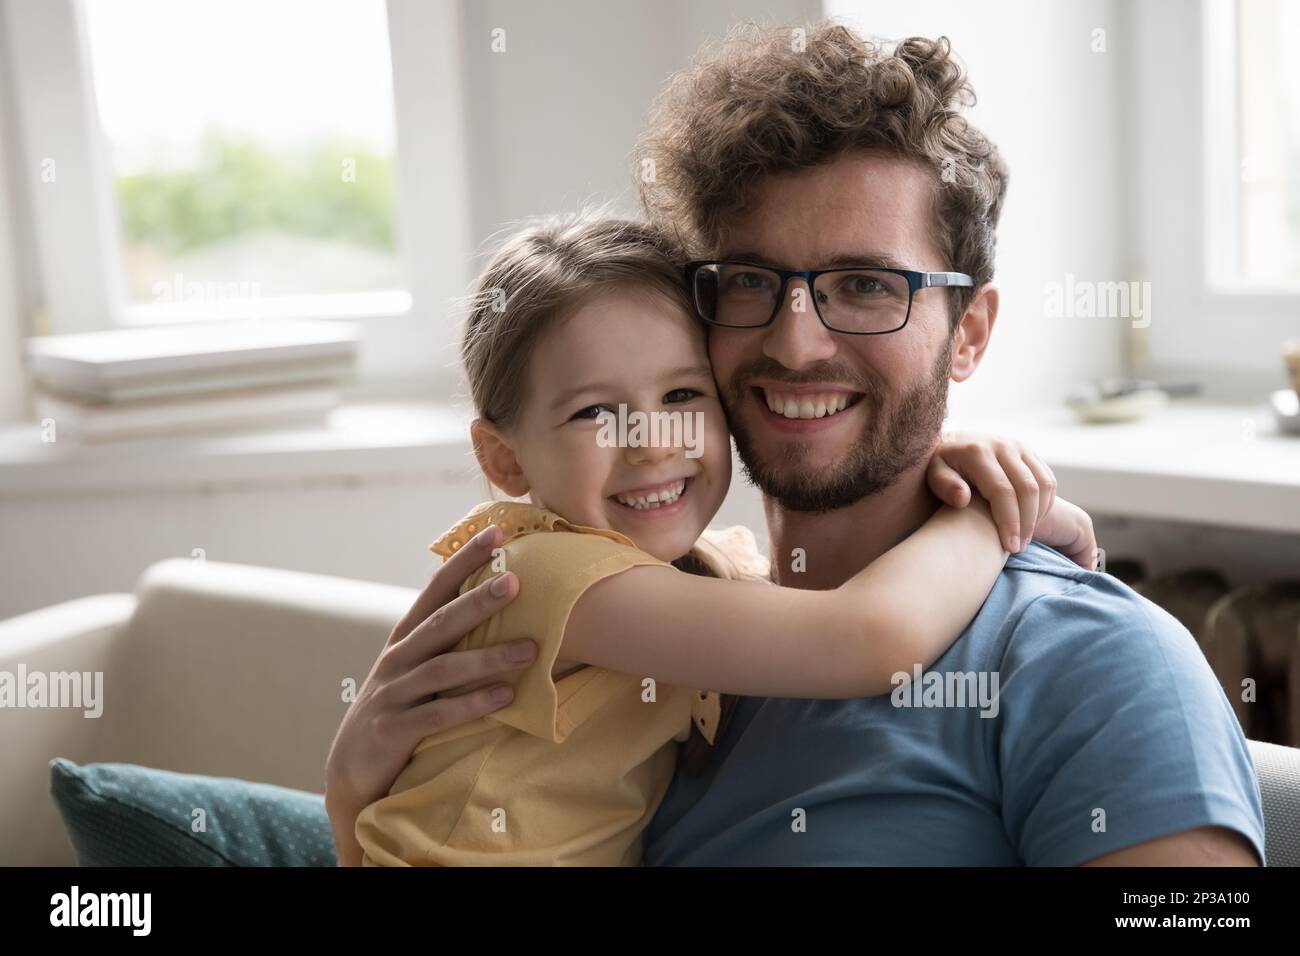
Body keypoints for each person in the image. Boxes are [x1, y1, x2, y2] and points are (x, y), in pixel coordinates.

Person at [328, 22, 1265, 866]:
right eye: (749, 282)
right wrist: (351, 792)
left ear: (968, 332)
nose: (795, 341)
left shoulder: (1088, 655)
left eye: (865, 285)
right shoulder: (694, 645)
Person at [352, 213, 1093, 866]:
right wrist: (990, 514)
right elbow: (871, 636)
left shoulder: (703, 569)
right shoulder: (547, 574)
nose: (652, 443)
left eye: (682, 395)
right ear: (505, 459)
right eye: (593, 413)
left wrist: (946, 460)